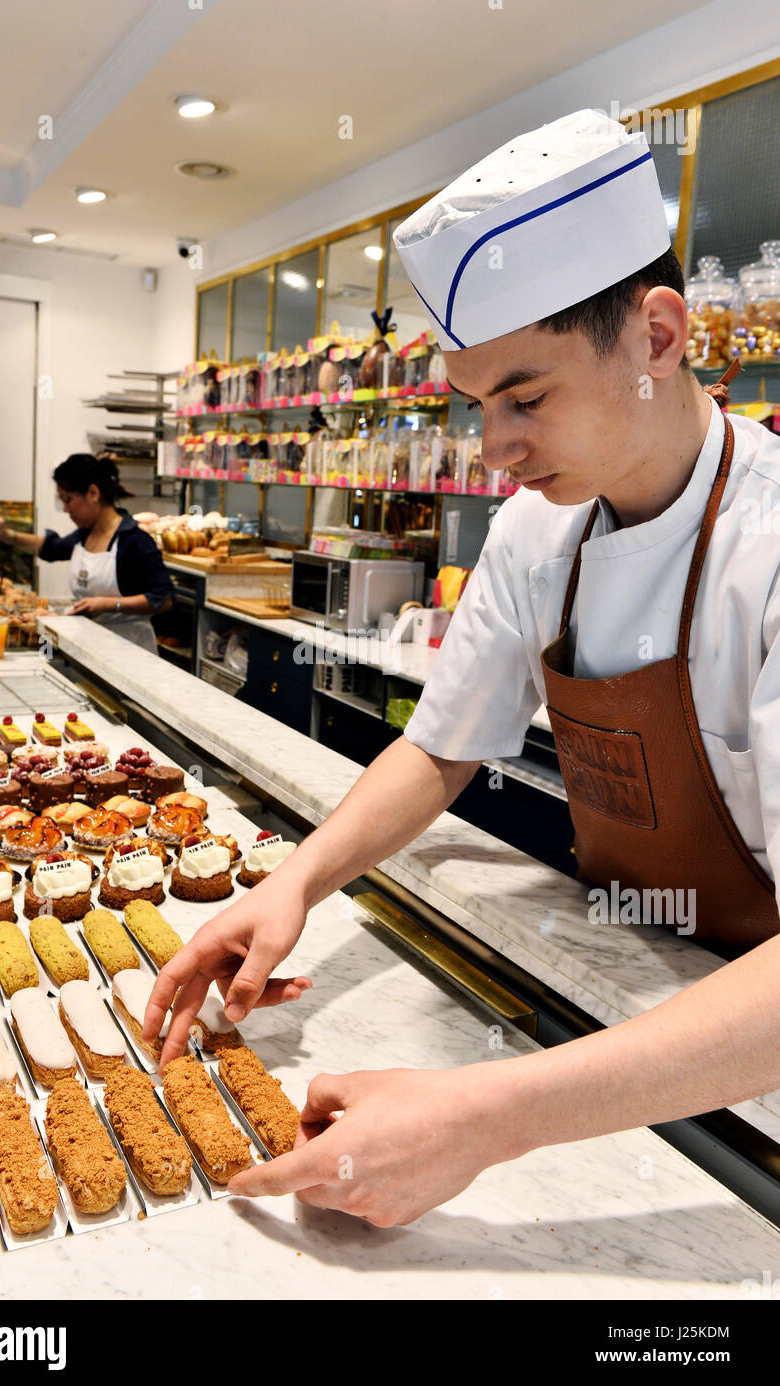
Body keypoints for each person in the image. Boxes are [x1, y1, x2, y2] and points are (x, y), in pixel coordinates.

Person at [144, 109, 780, 1227]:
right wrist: (293, 882)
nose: (494, 450)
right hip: (625, 982)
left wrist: (484, 1114)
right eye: (476, 406)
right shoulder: (542, 529)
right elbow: (440, 746)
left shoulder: (766, 549)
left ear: (660, 335)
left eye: (525, 398)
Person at [0, 454, 173, 653]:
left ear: (92, 493)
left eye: (68, 500)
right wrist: (7, 535)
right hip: (90, 645)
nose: (65, 509)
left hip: (130, 649)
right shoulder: (85, 535)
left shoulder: (134, 541)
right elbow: (51, 548)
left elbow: (163, 600)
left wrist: (108, 604)